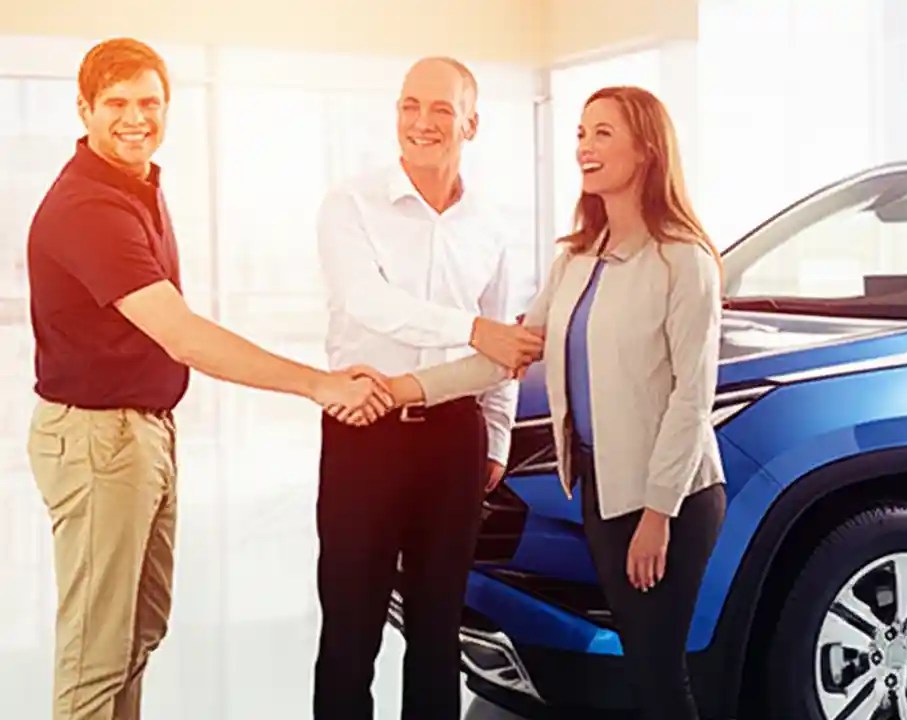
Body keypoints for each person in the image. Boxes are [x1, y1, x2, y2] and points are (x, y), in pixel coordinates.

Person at [25, 38, 388, 720]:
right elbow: (184, 334)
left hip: (141, 434)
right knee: (94, 657)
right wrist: (320, 383)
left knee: (137, 636)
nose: (137, 118)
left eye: (150, 103)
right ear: (84, 108)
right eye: (117, 104)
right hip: (100, 442)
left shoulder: (135, 188)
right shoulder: (89, 209)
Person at [370, 85, 727, 720]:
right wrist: (402, 390)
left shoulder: (684, 262)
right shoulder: (575, 258)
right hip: (602, 488)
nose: (585, 148)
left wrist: (657, 515)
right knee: (640, 666)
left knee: (655, 668)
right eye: (581, 134)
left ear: (647, 149)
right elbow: (507, 353)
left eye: (603, 134)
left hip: (670, 498)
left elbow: (691, 399)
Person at [311, 55, 540, 720]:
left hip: (453, 441)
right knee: (351, 630)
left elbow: (503, 349)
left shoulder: (492, 226)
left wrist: (494, 437)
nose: (423, 122)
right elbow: (366, 301)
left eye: (442, 109)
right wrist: (472, 329)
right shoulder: (349, 204)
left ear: (472, 122)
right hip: (364, 433)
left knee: (440, 635)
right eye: (411, 106)